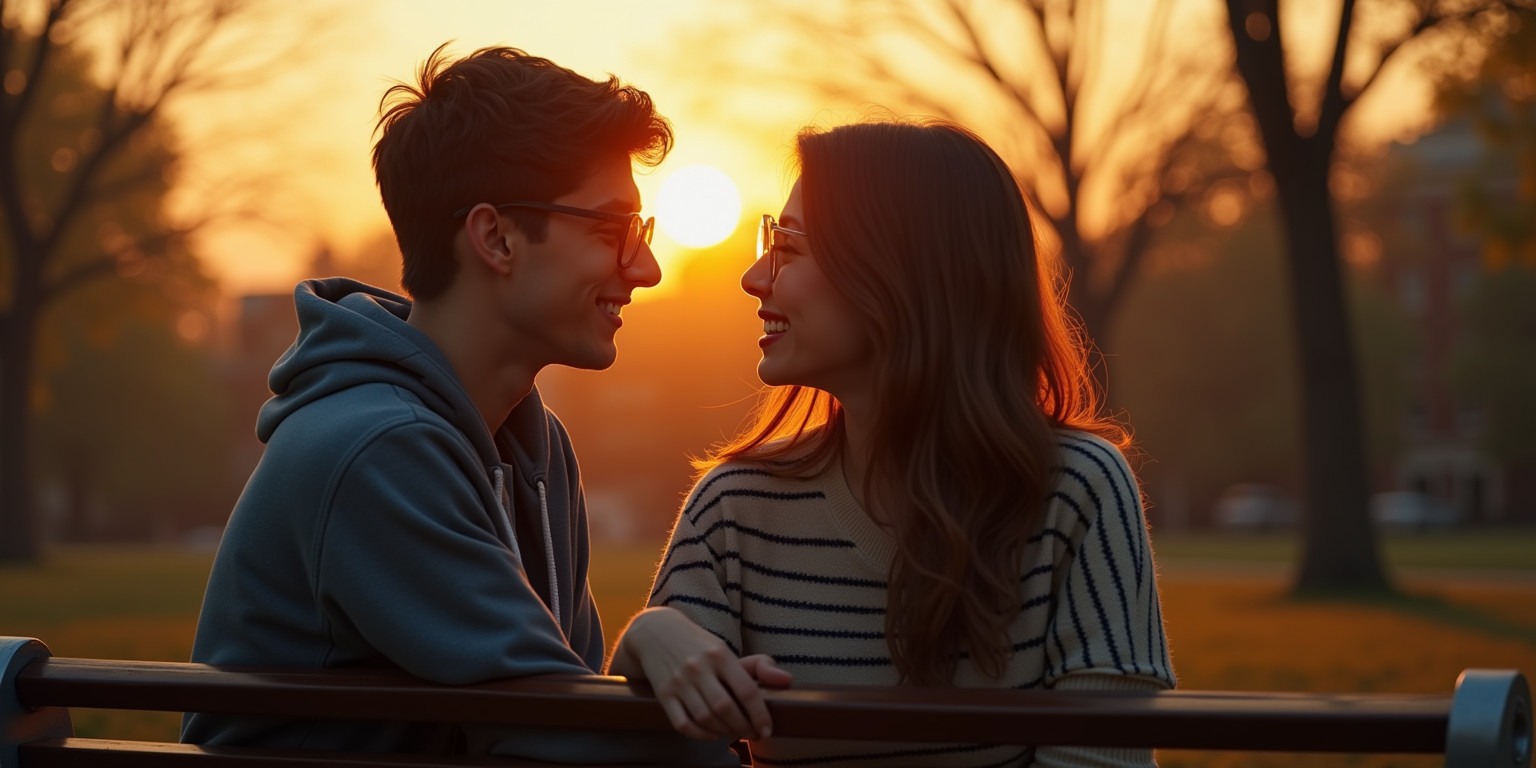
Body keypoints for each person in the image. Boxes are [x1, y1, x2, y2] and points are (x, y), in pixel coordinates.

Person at [181, 45, 755, 765]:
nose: (646, 268)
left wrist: (647, 637)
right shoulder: (378, 449)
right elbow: (556, 733)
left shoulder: (537, 447)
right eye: (611, 231)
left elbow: (566, 703)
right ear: (496, 238)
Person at [612, 120, 1176, 767]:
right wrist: (651, 635)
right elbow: (652, 740)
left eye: (788, 246)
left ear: (897, 273)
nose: (753, 276)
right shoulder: (736, 507)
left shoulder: (1075, 489)